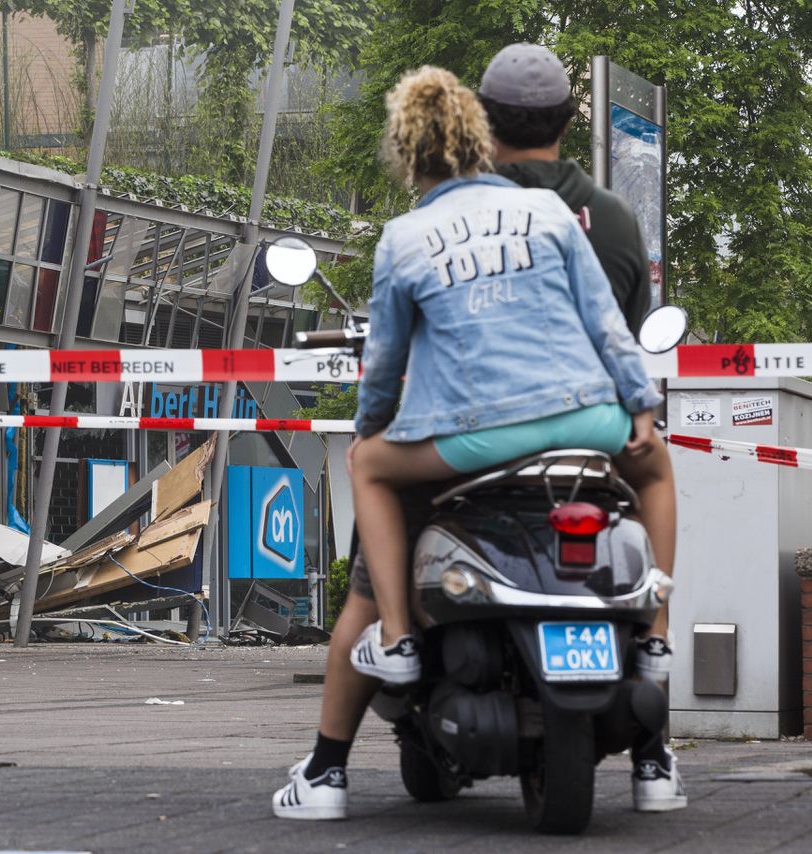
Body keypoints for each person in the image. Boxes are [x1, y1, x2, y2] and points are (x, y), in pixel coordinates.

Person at [272, 65, 684, 821]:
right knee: (655, 472)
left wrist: (374, 428)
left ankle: (391, 651)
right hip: (586, 423)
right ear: (479, 139)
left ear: (408, 154)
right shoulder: (552, 215)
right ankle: (654, 635)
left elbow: (386, 367)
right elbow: (608, 329)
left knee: (369, 464)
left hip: (474, 443)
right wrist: (639, 412)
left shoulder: (403, 238)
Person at [481, 43, 650, 334]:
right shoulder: (616, 220)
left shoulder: (453, 217)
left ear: (483, 120)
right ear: (566, 123)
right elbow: (629, 331)